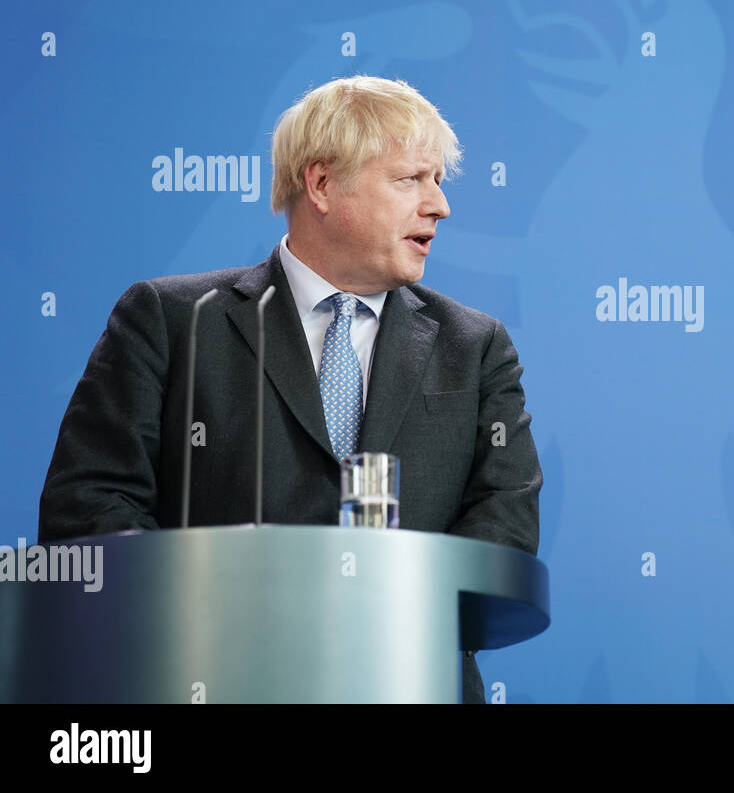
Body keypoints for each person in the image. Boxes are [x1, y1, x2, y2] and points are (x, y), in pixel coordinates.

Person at [38, 75, 542, 704]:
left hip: (408, 683)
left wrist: (384, 610)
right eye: (411, 179)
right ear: (322, 184)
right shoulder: (173, 320)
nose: (439, 205)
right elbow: (88, 512)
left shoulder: (475, 347)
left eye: (439, 181)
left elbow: (507, 524)